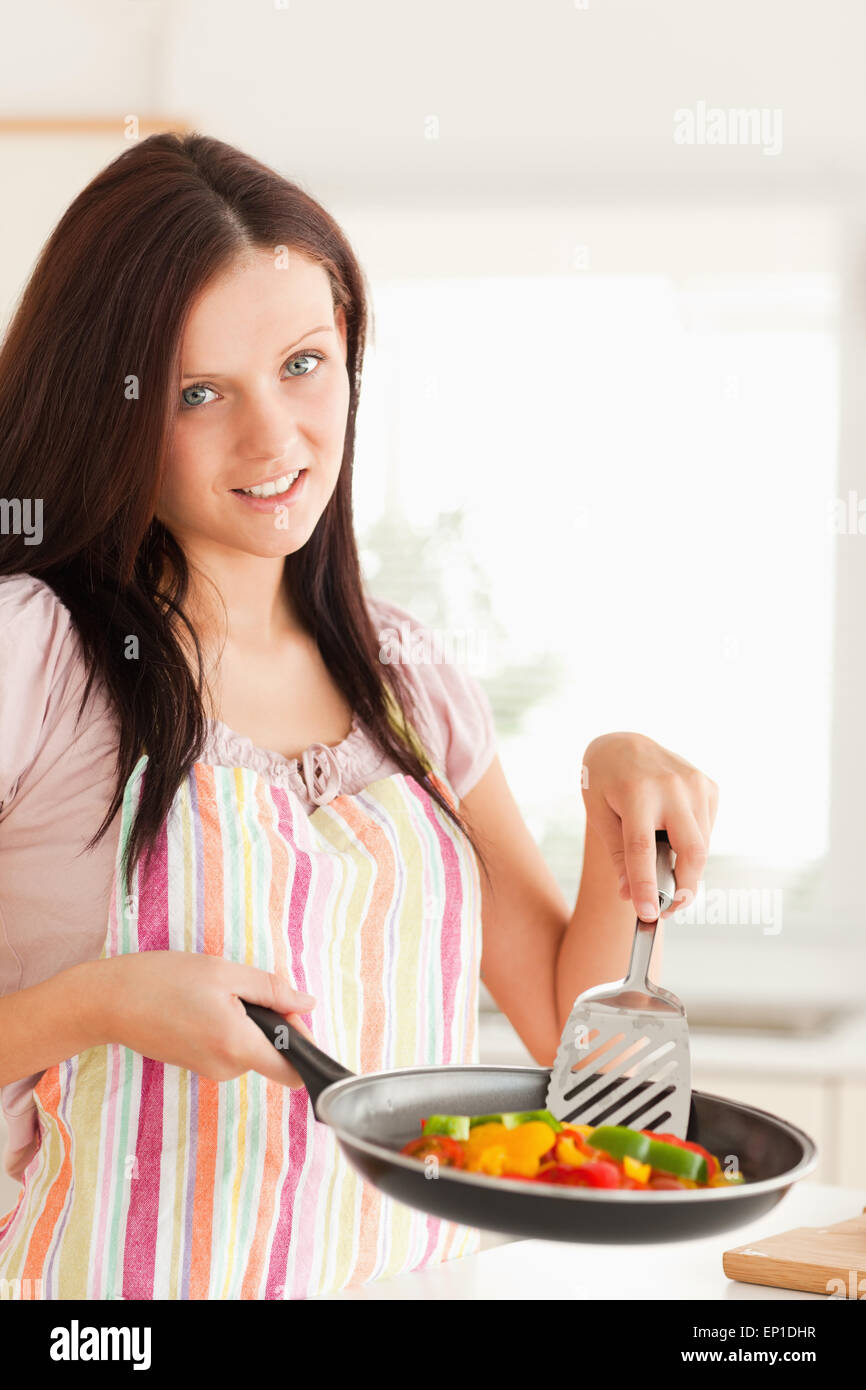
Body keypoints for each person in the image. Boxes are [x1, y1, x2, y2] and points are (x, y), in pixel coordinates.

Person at [0, 132, 718, 1300]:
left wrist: (609, 781)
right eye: (198, 393)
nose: (274, 439)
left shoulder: (405, 676)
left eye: (301, 364)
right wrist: (96, 1003)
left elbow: (556, 1017)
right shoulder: (35, 651)